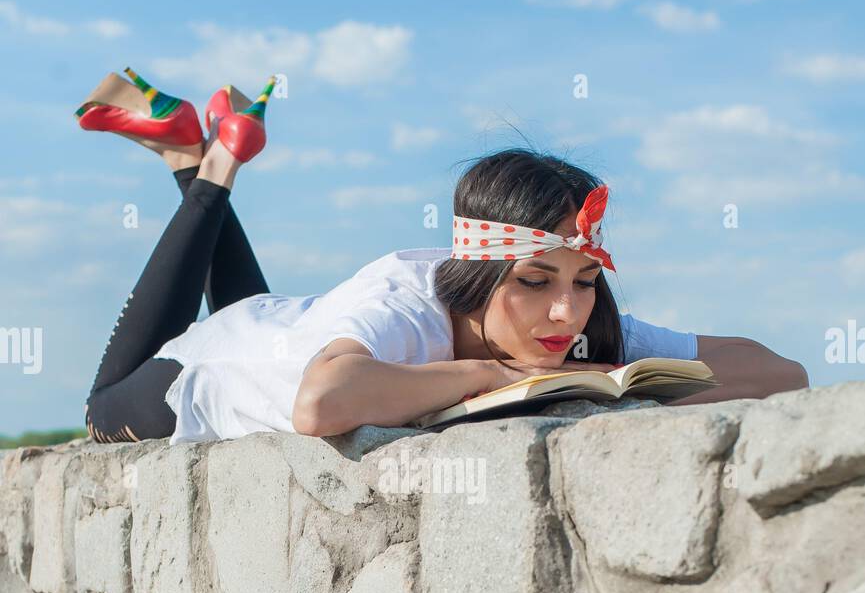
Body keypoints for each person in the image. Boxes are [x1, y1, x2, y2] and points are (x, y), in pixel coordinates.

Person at [75, 68, 808, 444]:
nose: (566, 309)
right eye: (534, 280)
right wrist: (498, 373)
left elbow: (780, 373)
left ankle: (194, 148)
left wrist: (609, 379)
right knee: (99, 410)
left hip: (277, 320)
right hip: (210, 369)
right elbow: (321, 404)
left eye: (585, 280)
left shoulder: (575, 331)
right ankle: (204, 171)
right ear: (482, 273)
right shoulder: (407, 298)